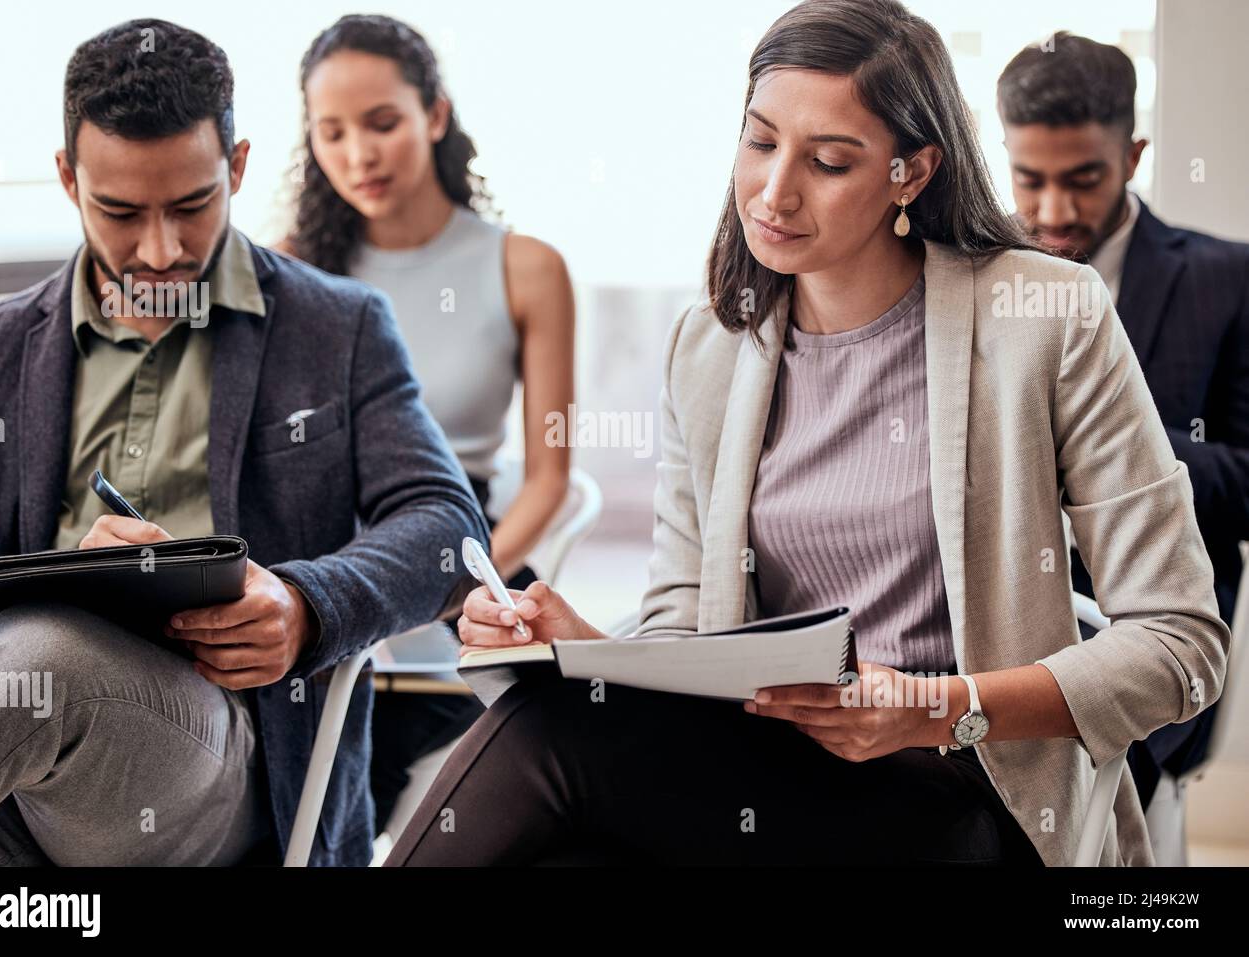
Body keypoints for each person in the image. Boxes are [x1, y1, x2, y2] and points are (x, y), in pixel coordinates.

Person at [386, 0, 1228, 867]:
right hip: (767, 776)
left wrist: (939, 703)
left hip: (964, 790)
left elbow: (1181, 644)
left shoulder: (1047, 315)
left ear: (912, 171)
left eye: (828, 161)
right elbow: (689, 635)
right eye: (759, 142)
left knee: (540, 746)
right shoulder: (710, 344)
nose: (774, 191)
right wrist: (585, 649)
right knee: (552, 759)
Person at [0, 19, 488, 866]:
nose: (159, 252)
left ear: (236, 168)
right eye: (119, 212)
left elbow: (448, 527)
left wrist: (306, 606)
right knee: (32, 661)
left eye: (193, 206)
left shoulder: (335, 329)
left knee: (50, 664)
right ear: (67, 178)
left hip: (226, 761)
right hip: (1, 763)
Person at [280, 14, 575, 834]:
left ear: (435, 115)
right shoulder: (293, 271)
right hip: (332, 562)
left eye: (382, 124)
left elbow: (550, 476)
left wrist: (445, 590)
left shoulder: (526, 267)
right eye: (330, 133)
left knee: (519, 768)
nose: (358, 156)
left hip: (471, 558)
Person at [997, 31, 1249, 809]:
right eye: (1028, 179)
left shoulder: (1227, 280)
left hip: (1150, 687)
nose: (1053, 210)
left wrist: (1105, 446)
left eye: (1084, 179)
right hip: (988, 656)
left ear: (1134, 157)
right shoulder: (968, 278)